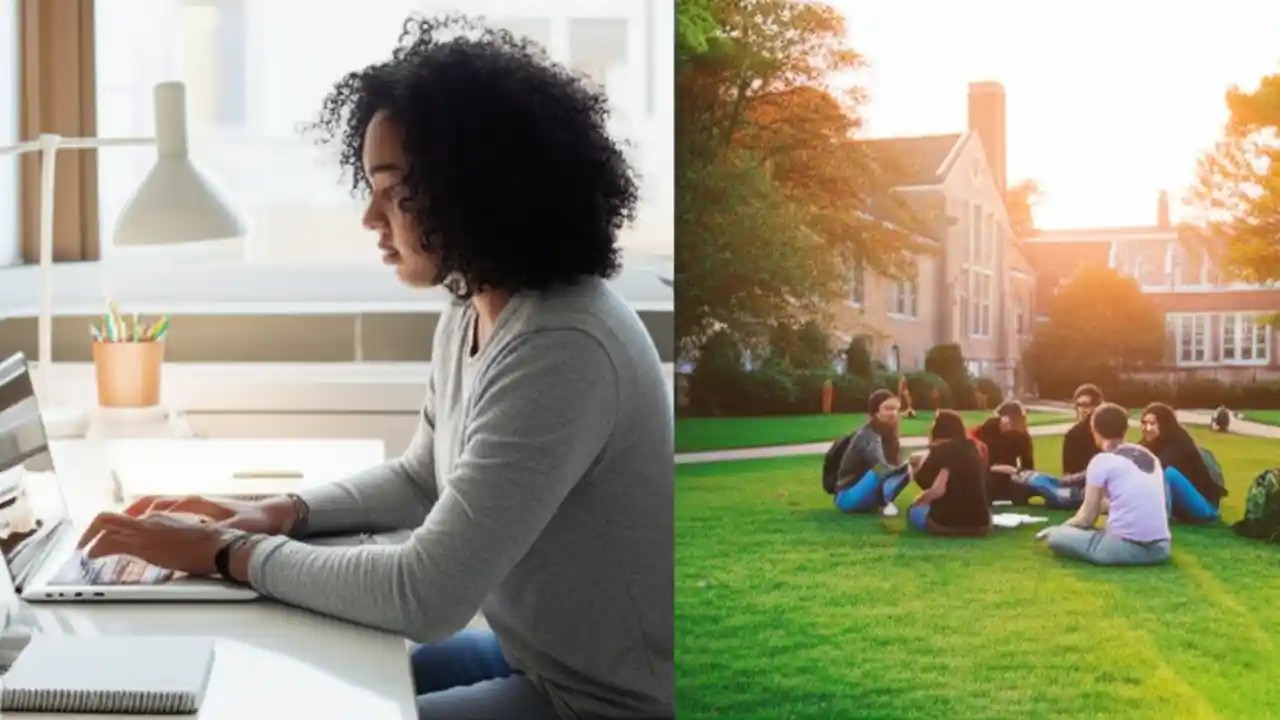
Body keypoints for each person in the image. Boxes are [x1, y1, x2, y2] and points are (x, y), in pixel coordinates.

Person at [73, 17, 673, 720]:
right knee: (303, 683)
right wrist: (281, 514)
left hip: (604, 701)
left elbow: (427, 596)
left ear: (472, 188)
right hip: (536, 658)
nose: (368, 217)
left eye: (391, 189)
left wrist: (224, 551)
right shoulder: (475, 305)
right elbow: (424, 477)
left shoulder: (563, 346)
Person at [1041, 403, 1171, 566]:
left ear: (1094, 429)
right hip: (1161, 548)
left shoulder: (1102, 461)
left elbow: (1087, 518)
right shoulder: (1149, 456)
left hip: (1124, 547)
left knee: (1055, 538)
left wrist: (1060, 529)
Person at [908, 410, 992, 537]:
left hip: (949, 524)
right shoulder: (974, 450)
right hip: (982, 525)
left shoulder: (942, 452)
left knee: (913, 511)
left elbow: (938, 490)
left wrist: (919, 500)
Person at [1139, 402, 1224, 523]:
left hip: (1204, 508)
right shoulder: (1150, 442)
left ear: (1164, 424)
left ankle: (1160, 518)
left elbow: (1157, 467)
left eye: (1152, 424)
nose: (1147, 428)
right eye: (1144, 423)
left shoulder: (1179, 441)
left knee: (1168, 474)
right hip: (1182, 508)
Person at [832, 390, 911, 517]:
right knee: (884, 470)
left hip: (866, 491)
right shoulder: (867, 436)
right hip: (847, 497)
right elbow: (880, 466)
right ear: (875, 411)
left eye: (896, 409)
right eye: (888, 409)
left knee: (906, 471)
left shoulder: (890, 434)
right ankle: (884, 503)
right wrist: (908, 464)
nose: (893, 413)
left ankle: (884, 502)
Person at [972, 400, 1035, 504]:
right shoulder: (987, 430)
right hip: (989, 479)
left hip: (1008, 479)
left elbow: (1028, 466)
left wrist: (1016, 472)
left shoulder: (1022, 437)